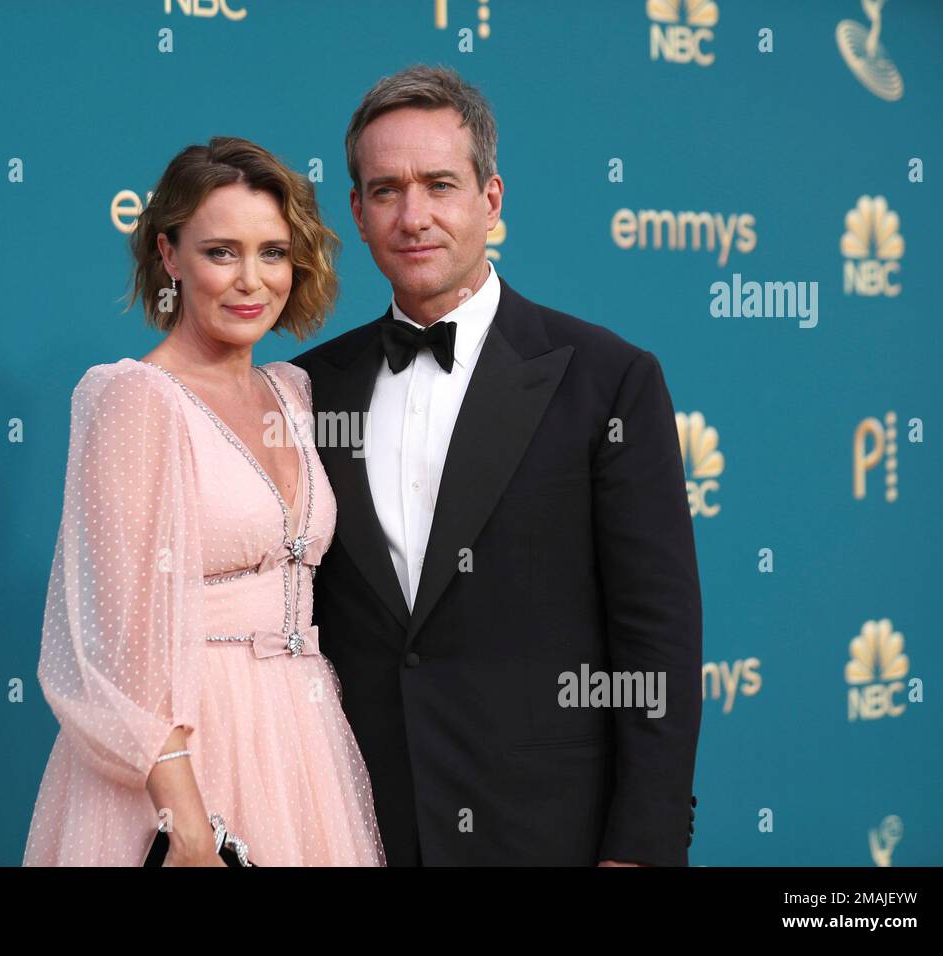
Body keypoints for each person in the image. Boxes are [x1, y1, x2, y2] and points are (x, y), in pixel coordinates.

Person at [292, 65, 702, 866]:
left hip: (551, 833)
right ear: (356, 213)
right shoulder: (305, 391)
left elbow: (658, 638)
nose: (414, 216)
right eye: (385, 191)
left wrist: (641, 849)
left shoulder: (606, 377)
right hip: (357, 827)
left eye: (440, 184)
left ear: (491, 199)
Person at [23, 136, 385, 867]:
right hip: (179, 754)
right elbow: (112, 636)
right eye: (221, 252)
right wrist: (186, 818)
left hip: (301, 738)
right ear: (169, 255)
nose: (251, 280)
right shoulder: (133, 397)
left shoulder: (294, 392)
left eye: (273, 253)